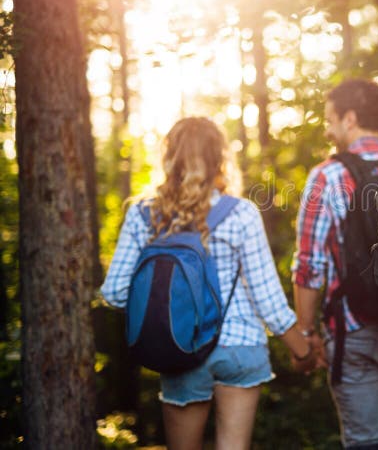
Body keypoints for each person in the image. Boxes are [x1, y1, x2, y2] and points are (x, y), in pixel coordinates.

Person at [101, 117, 315, 450]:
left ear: (169, 158)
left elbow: (114, 293)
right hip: (240, 346)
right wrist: (303, 349)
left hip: (179, 346)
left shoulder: (143, 215)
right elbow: (268, 300)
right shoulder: (241, 214)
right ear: (220, 158)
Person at [291, 79, 378, 450]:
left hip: (353, 328)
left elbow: (308, 266)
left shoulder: (329, 176)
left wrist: (306, 332)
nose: (327, 128)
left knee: (365, 443)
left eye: (330, 119)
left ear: (349, 119)